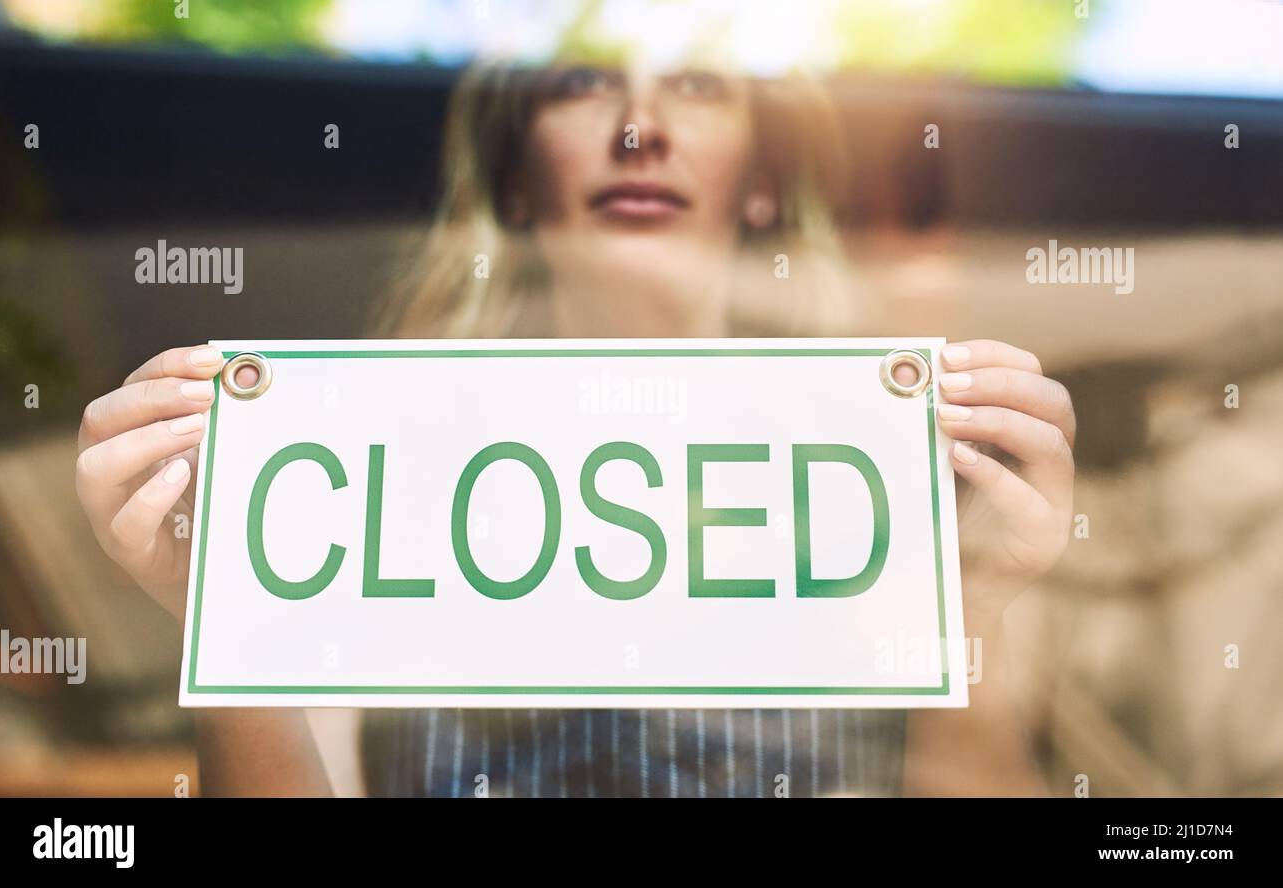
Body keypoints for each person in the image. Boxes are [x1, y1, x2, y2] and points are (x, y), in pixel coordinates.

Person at [74, 50, 1075, 797]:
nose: (640, 130)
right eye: (583, 81)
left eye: (699, 84)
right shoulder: (358, 465)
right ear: (515, 179)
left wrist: (966, 618)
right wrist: (224, 621)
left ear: (763, 181)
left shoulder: (888, 475)